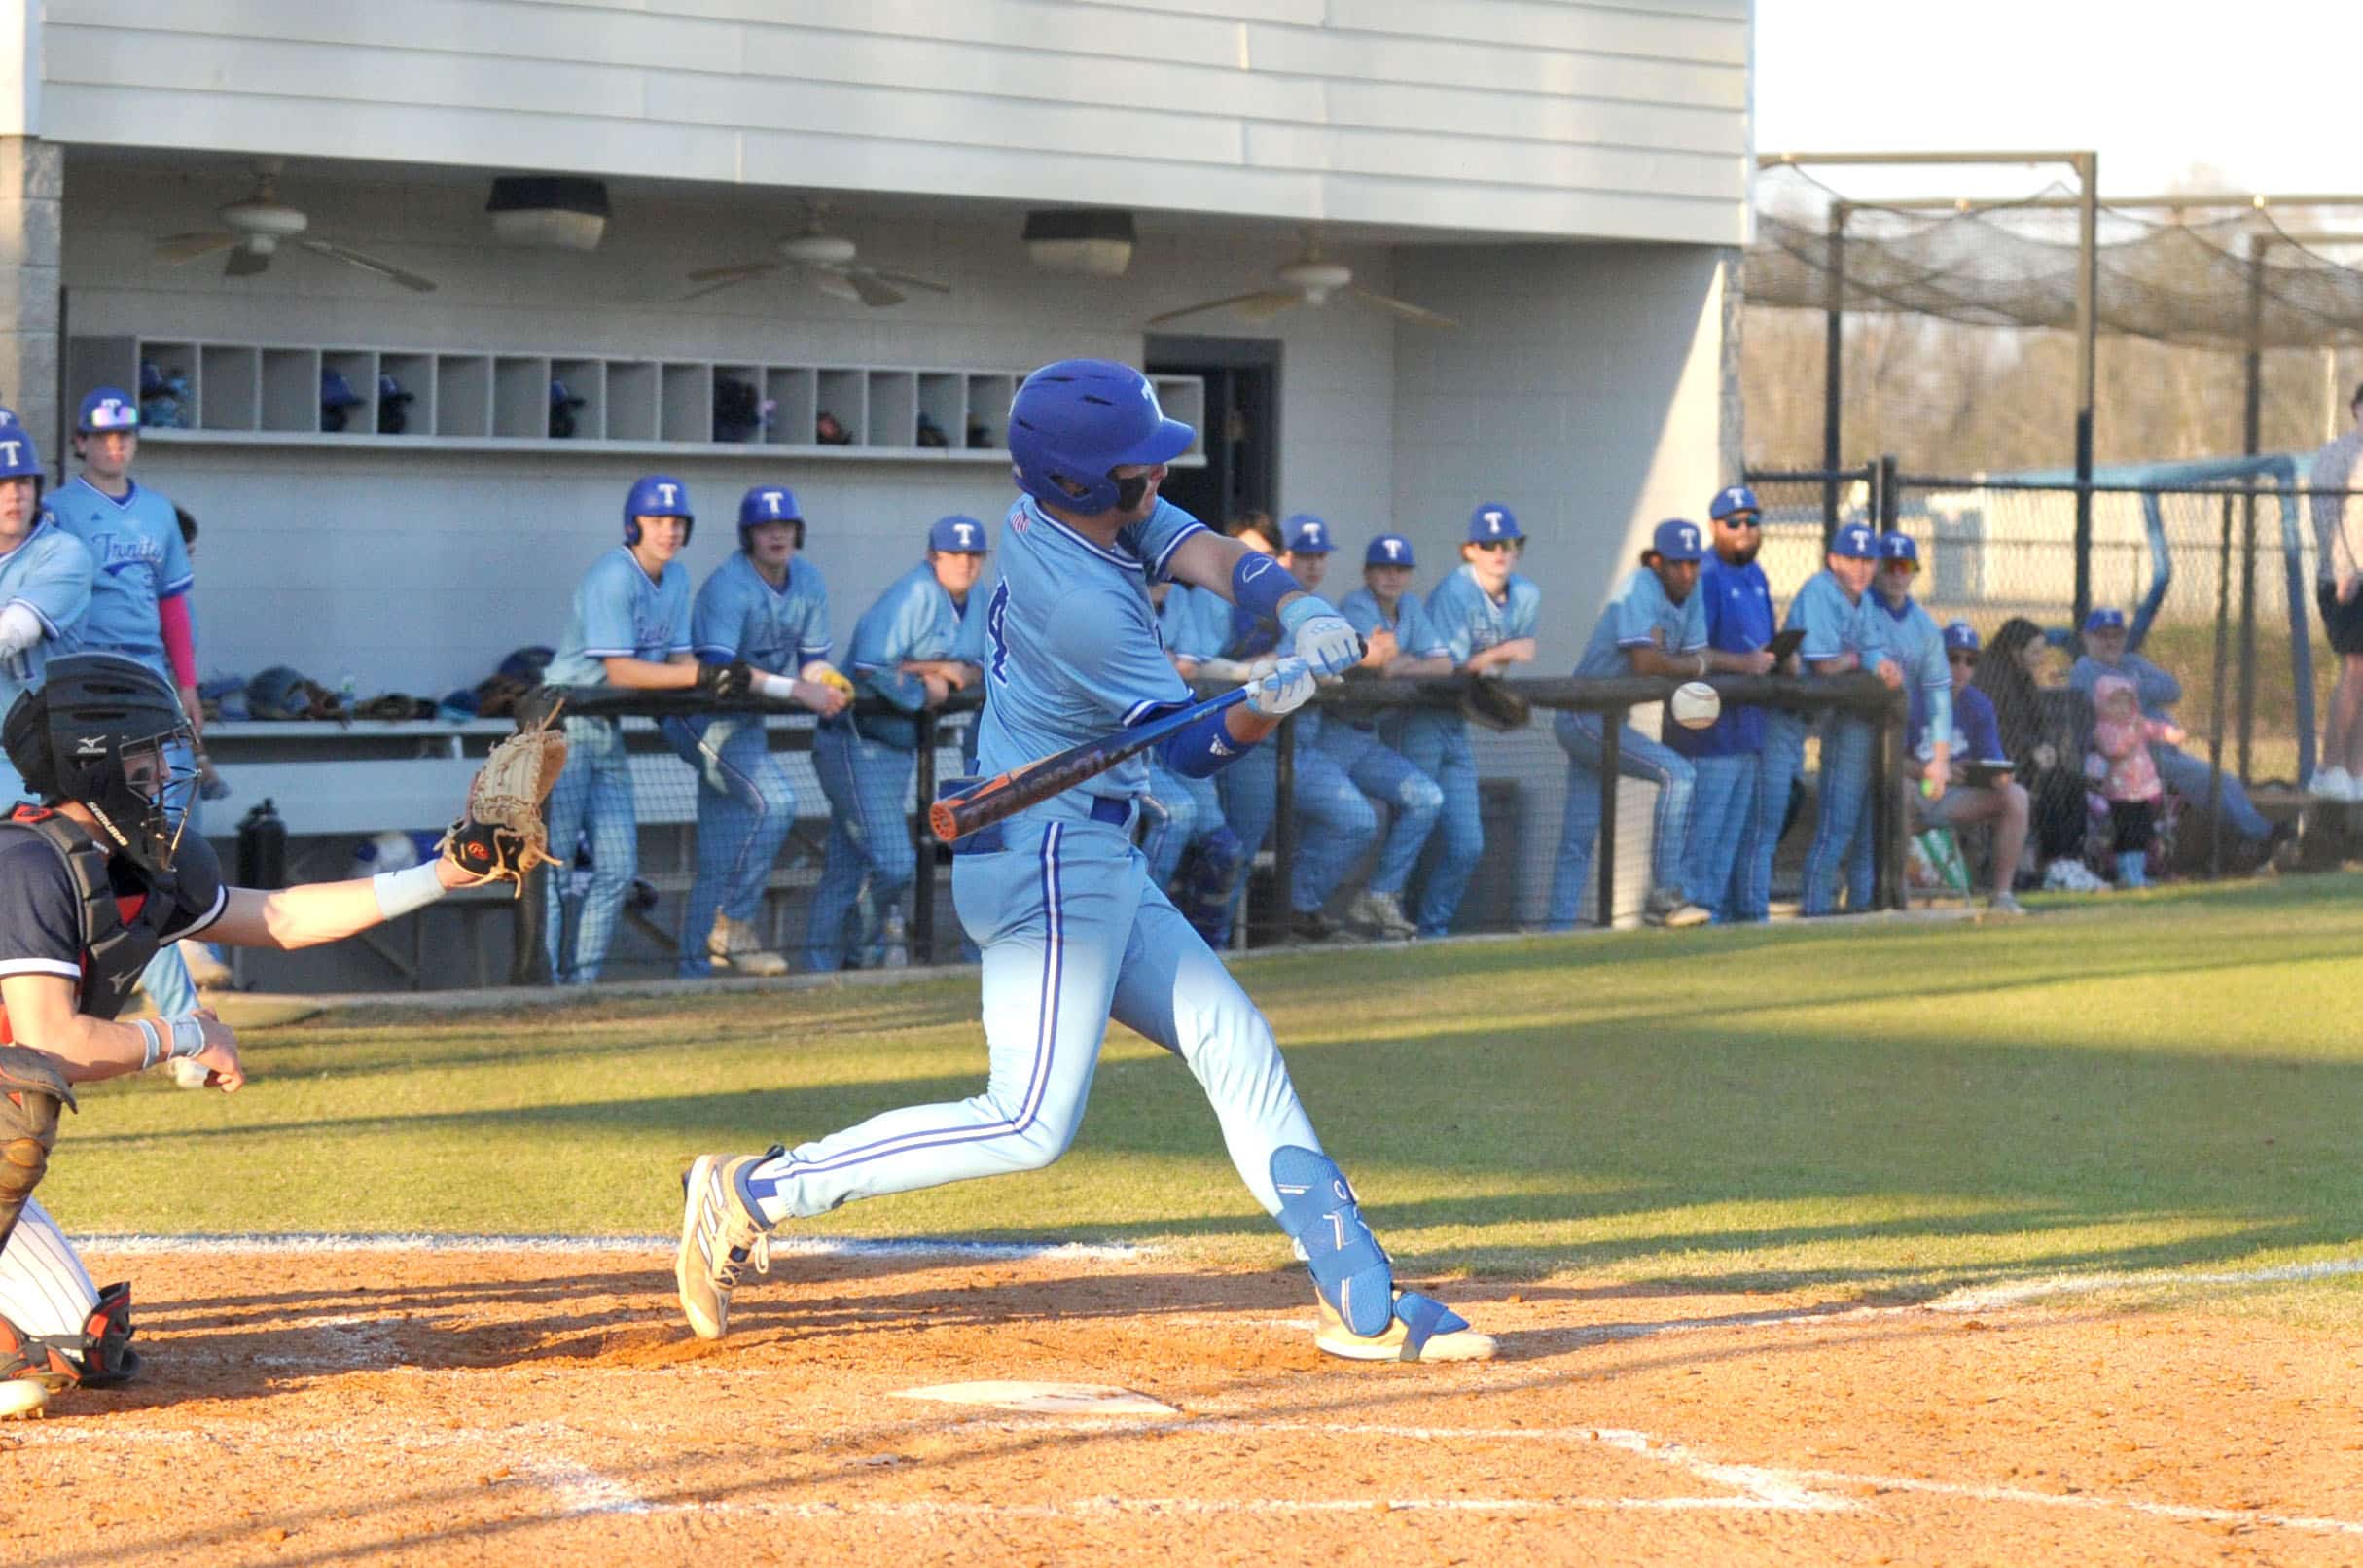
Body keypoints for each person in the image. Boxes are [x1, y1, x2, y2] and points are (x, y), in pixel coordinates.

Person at [674, 358, 1492, 1365]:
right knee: (1026, 1119)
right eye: (1135, 467)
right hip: (1048, 860)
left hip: (1091, 847)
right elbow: (1190, 748)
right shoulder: (1081, 601)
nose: (1154, 477)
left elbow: (1200, 547)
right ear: (1083, 481)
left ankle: (1358, 1292)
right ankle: (753, 1191)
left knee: (1232, 1039)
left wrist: (1293, 609)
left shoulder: (1072, 513)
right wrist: (1272, 699)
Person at [0, 653, 506, 1419]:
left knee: (75, 1345)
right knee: (19, 1098)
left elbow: (284, 918)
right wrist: (182, 1034)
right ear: (93, 764)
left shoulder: (127, 863)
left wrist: (441, 875)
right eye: (145, 754)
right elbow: (51, 1042)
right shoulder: (27, 864)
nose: (163, 770)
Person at [543, 477, 762, 984]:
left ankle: (582, 984)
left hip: (605, 727)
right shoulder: (613, 575)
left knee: (618, 869)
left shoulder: (677, 576)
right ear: (634, 524)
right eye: (657, 520)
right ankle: (547, 985)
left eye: (677, 521)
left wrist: (713, 676)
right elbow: (621, 671)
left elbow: (679, 658)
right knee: (553, 871)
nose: (668, 530)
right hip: (559, 728)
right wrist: (699, 675)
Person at [47, 389, 210, 1033]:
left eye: (124, 436)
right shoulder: (58, 511)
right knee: (121, 846)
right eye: (102, 436)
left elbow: (174, 604)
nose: (114, 446)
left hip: (149, 684)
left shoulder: (159, 514)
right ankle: (178, 1003)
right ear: (80, 442)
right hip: (90, 689)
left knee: (156, 842)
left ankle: (182, 991)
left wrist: (189, 685)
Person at [805, 515, 989, 971]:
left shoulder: (978, 599)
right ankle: (856, 951)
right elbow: (868, 665)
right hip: (854, 740)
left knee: (847, 867)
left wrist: (957, 672)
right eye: (954, 554)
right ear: (934, 557)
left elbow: (980, 665)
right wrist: (932, 675)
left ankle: (818, 970)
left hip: (898, 748)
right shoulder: (915, 593)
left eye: (973, 555)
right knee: (893, 862)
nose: (965, 563)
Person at [1548, 519, 1748, 930]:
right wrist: (1691, 664)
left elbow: (1693, 657)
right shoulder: (1641, 586)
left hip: (1608, 716)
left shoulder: (1690, 596)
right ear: (1657, 562)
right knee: (1679, 774)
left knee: (1578, 838)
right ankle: (1664, 895)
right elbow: (1647, 663)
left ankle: (1557, 932)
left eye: (1693, 563)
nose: (1687, 573)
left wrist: (1741, 663)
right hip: (1583, 714)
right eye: (1676, 564)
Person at [681, 486, 847, 979]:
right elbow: (721, 670)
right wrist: (797, 689)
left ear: (798, 531)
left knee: (717, 858)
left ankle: (693, 979)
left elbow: (812, 661)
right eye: (764, 527)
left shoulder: (809, 578)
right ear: (748, 535)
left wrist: (825, 681)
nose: (776, 534)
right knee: (776, 802)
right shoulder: (728, 586)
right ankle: (735, 923)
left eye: (785, 525)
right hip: (701, 718)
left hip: (746, 722)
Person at [1186, 516, 1377, 944]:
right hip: (1244, 739)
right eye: (1248, 552)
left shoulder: (1294, 603)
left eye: (1268, 555)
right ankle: (1216, 952)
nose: (1257, 562)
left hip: (1298, 741)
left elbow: (1325, 666)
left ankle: (1295, 913)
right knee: (1237, 852)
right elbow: (1192, 666)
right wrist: (1252, 669)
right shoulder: (1210, 598)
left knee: (1356, 819)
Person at [1399, 504, 1539, 936]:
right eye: (1489, 544)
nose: (1499, 552)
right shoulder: (1454, 592)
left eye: (1508, 544)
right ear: (1470, 550)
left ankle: (1431, 931)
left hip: (1455, 723)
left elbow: (1492, 670)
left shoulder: (1527, 595)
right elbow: (1448, 670)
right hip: (1422, 717)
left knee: (1467, 844)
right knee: (1412, 827)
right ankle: (1388, 927)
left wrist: (1495, 665)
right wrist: (1500, 654)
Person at [1752, 522, 1902, 919]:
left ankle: (1810, 910)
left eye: (1868, 560)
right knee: (1768, 822)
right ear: (1833, 559)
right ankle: (1752, 914)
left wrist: (1882, 665)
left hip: (1812, 719)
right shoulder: (1820, 591)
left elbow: (1870, 651)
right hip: (1782, 717)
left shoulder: (1864, 601)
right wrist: (1860, 662)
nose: (1860, 568)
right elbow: (1823, 666)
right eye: (1851, 558)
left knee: (1824, 822)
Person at [1808, 531, 1951, 914]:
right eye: (1887, 565)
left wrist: (1940, 757)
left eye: (1904, 566)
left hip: (1893, 736)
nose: (1895, 574)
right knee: (1838, 826)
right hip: (1851, 726)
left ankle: (1862, 910)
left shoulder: (1923, 626)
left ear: (1914, 571)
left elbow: (1938, 691)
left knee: (1875, 830)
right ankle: (1815, 910)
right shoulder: (1856, 606)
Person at [2068, 608, 2280, 866]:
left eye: (2117, 635)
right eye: (2102, 636)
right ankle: (2267, 836)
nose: (2111, 642)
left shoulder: (2132, 662)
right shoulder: (2085, 669)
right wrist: (2139, 688)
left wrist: (2131, 687)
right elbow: (2113, 703)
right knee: (2215, 781)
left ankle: (2257, 841)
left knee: (2224, 781)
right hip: (2133, 756)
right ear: (2086, 638)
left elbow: (2172, 689)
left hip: (2163, 749)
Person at [1326, 532, 1450, 941]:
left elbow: (1443, 665)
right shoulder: (1355, 605)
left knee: (1426, 797)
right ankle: (1298, 917)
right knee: (1324, 828)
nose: (1393, 576)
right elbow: (1377, 662)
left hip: (1367, 736)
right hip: (1331, 734)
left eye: (1401, 569)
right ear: (1367, 572)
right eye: (1384, 568)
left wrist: (1400, 664)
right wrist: (1396, 663)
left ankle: (1378, 893)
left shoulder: (1411, 606)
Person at [1671, 485, 1777, 921]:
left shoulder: (1756, 576)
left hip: (1749, 731)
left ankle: (1715, 932)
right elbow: (1694, 653)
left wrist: (1776, 659)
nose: (1744, 529)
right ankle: (1691, 926)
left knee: (1731, 844)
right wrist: (1746, 662)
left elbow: (1761, 646)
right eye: (1734, 522)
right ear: (1715, 526)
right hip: (1710, 735)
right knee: (1704, 842)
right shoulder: (1708, 576)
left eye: (1751, 521)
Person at [1910, 624, 2029, 913]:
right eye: (1953, 658)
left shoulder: (1979, 705)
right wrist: (1936, 771)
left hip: (1957, 796)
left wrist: (1997, 776)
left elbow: (1993, 762)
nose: (1961, 667)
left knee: (2016, 795)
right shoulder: (1913, 698)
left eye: (1970, 661)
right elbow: (1891, 761)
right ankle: (1897, 892)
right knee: (1898, 790)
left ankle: (2002, 895)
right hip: (1916, 789)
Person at [1972, 618, 2092, 874]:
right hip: (1996, 761)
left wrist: (2046, 745)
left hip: (2024, 758)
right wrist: (2030, 750)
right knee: (2056, 787)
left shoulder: (2023, 676)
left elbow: (2039, 722)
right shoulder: (1990, 677)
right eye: (2035, 651)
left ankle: (2064, 862)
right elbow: (1993, 730)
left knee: (2071, 784)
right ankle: (2051, 864)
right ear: (2015, 650)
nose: (2040, 658)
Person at [2306, 380, 2363, 800]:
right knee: (2355, 671)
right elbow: (2328, 518)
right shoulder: (2339, 455)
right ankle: (2329, 769)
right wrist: (2344, 569)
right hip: (2347, 580)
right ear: (2356, 409)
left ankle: (2356, 770)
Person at [2088, 671, 2183, 888]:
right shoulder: (2104, 729)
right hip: (2121, 792)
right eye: (2115, 704)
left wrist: (2171, 734)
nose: (2122, 710)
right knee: (2127, 832)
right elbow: (2114, 749)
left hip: (2142, 789)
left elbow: (2155, 729)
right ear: (2102, 705)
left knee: (2142, 831)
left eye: (2126, 704)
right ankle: (2127, 873)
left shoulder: (2135, 723)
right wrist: (2133, 733)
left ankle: (2137, 872)